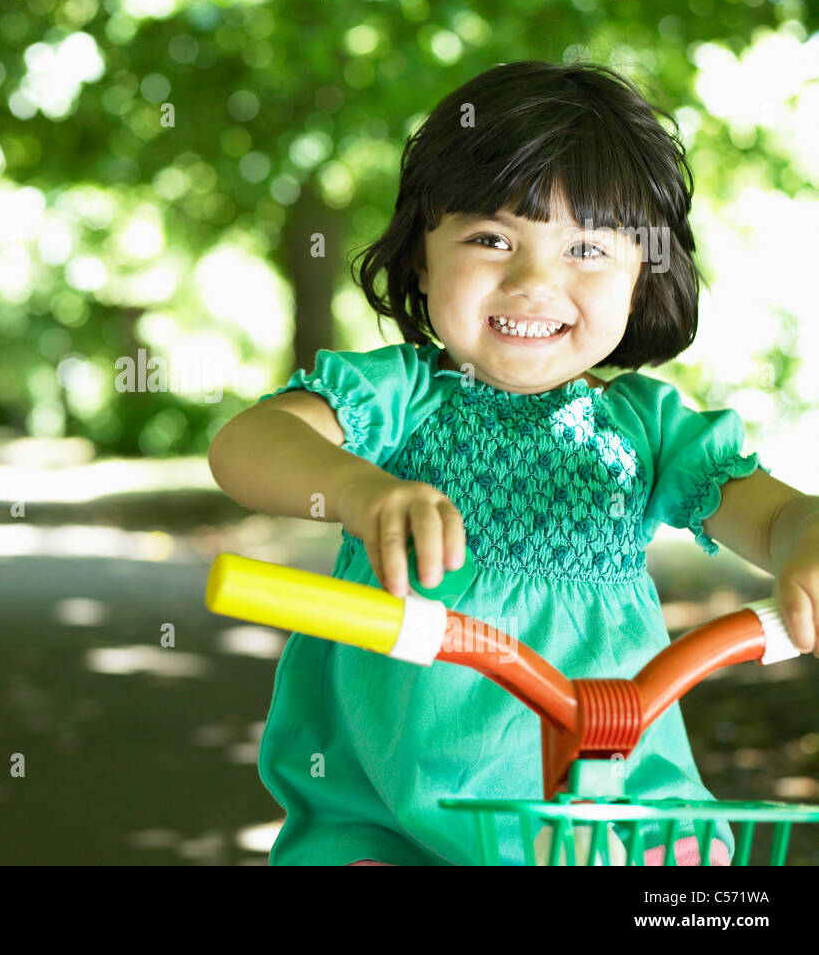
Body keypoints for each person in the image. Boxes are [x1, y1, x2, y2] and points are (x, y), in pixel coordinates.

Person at [207, 60, 819, 866]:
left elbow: (771, 512)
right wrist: (359, 488)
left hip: (621, 818)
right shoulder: (402, 399)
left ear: (643, 277)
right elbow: (246, 446)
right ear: (422, 258)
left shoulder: (648, 432)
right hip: (395, 820)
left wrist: (807, 538)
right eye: (491, 238)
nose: (534, 281)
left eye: (588, 248)